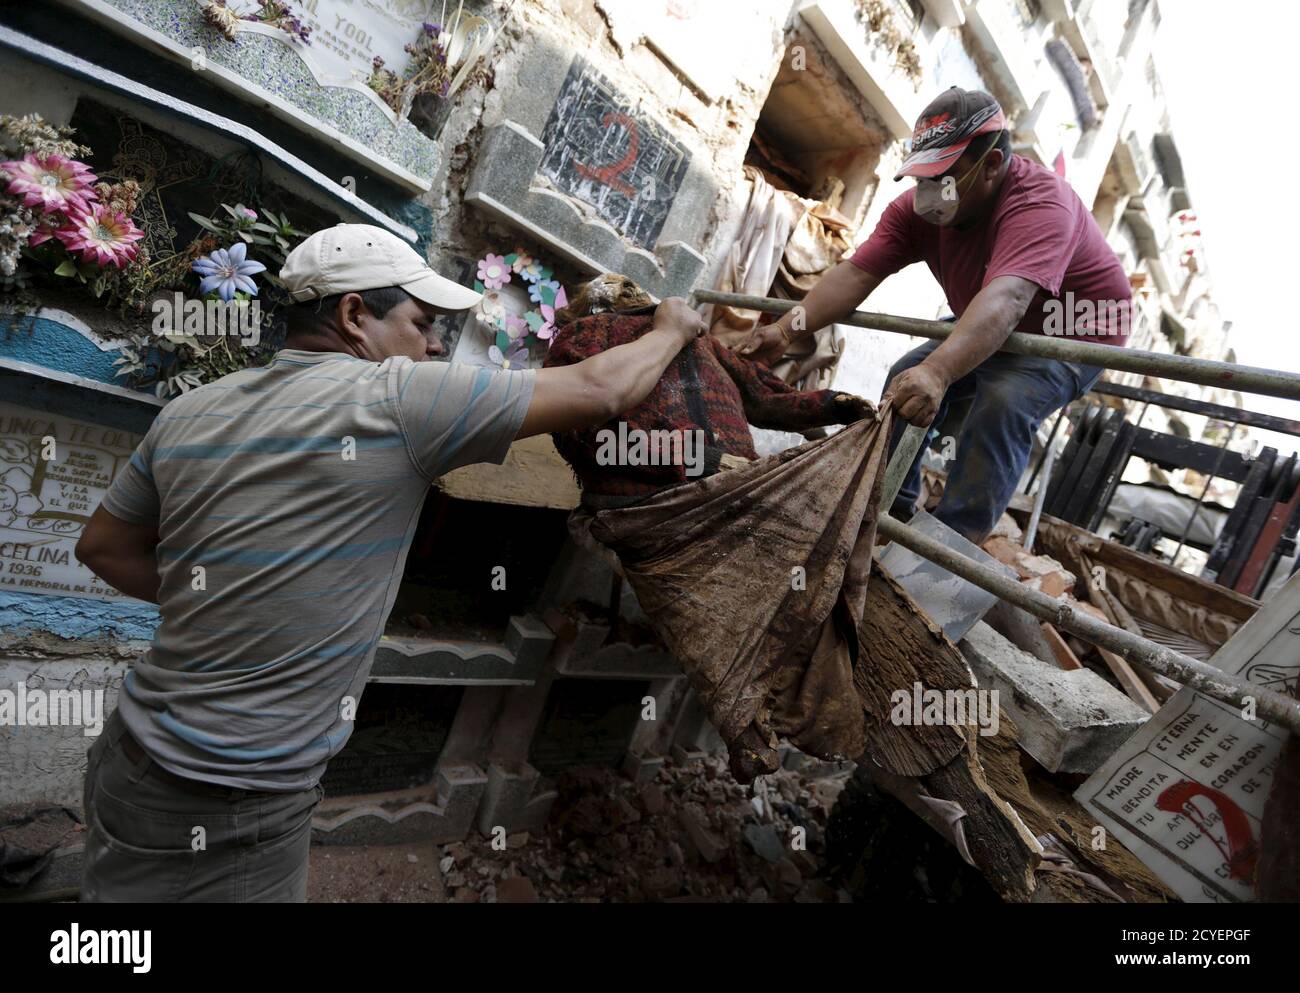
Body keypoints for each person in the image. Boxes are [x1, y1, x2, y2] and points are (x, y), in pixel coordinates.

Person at [74, 223, 705, 902]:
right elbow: (602, 390)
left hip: (127, 759)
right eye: (421, 322)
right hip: (238, 795)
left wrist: (228, 601)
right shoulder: (401, 400)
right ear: (354, 315)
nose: (434, 343)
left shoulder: (191, 410)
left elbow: (102, 548)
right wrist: (671, 327)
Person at [738, 87, 1131, 544]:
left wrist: (941, 372)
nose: (928, 192)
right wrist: (787, 330)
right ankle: (887, 515)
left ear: (992, 166)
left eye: (944, 176)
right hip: (994, 314)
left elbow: (1007, 300)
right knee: (907, 374)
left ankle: (947, 551)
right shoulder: (915, 212)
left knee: (1003, 402)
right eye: (923, 176)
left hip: (1073, 328)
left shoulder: (1041, 204)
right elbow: (856, 274)